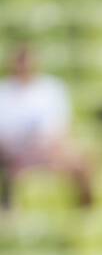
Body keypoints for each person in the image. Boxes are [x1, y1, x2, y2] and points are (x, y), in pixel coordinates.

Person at [0, 44, 93, 208]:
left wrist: (46, 147)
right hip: (14, 153)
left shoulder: (52, 88)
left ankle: (85, 209)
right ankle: (9, 207)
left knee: (84, 160)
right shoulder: (4, 92)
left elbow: (61, 128)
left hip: (48, 150)